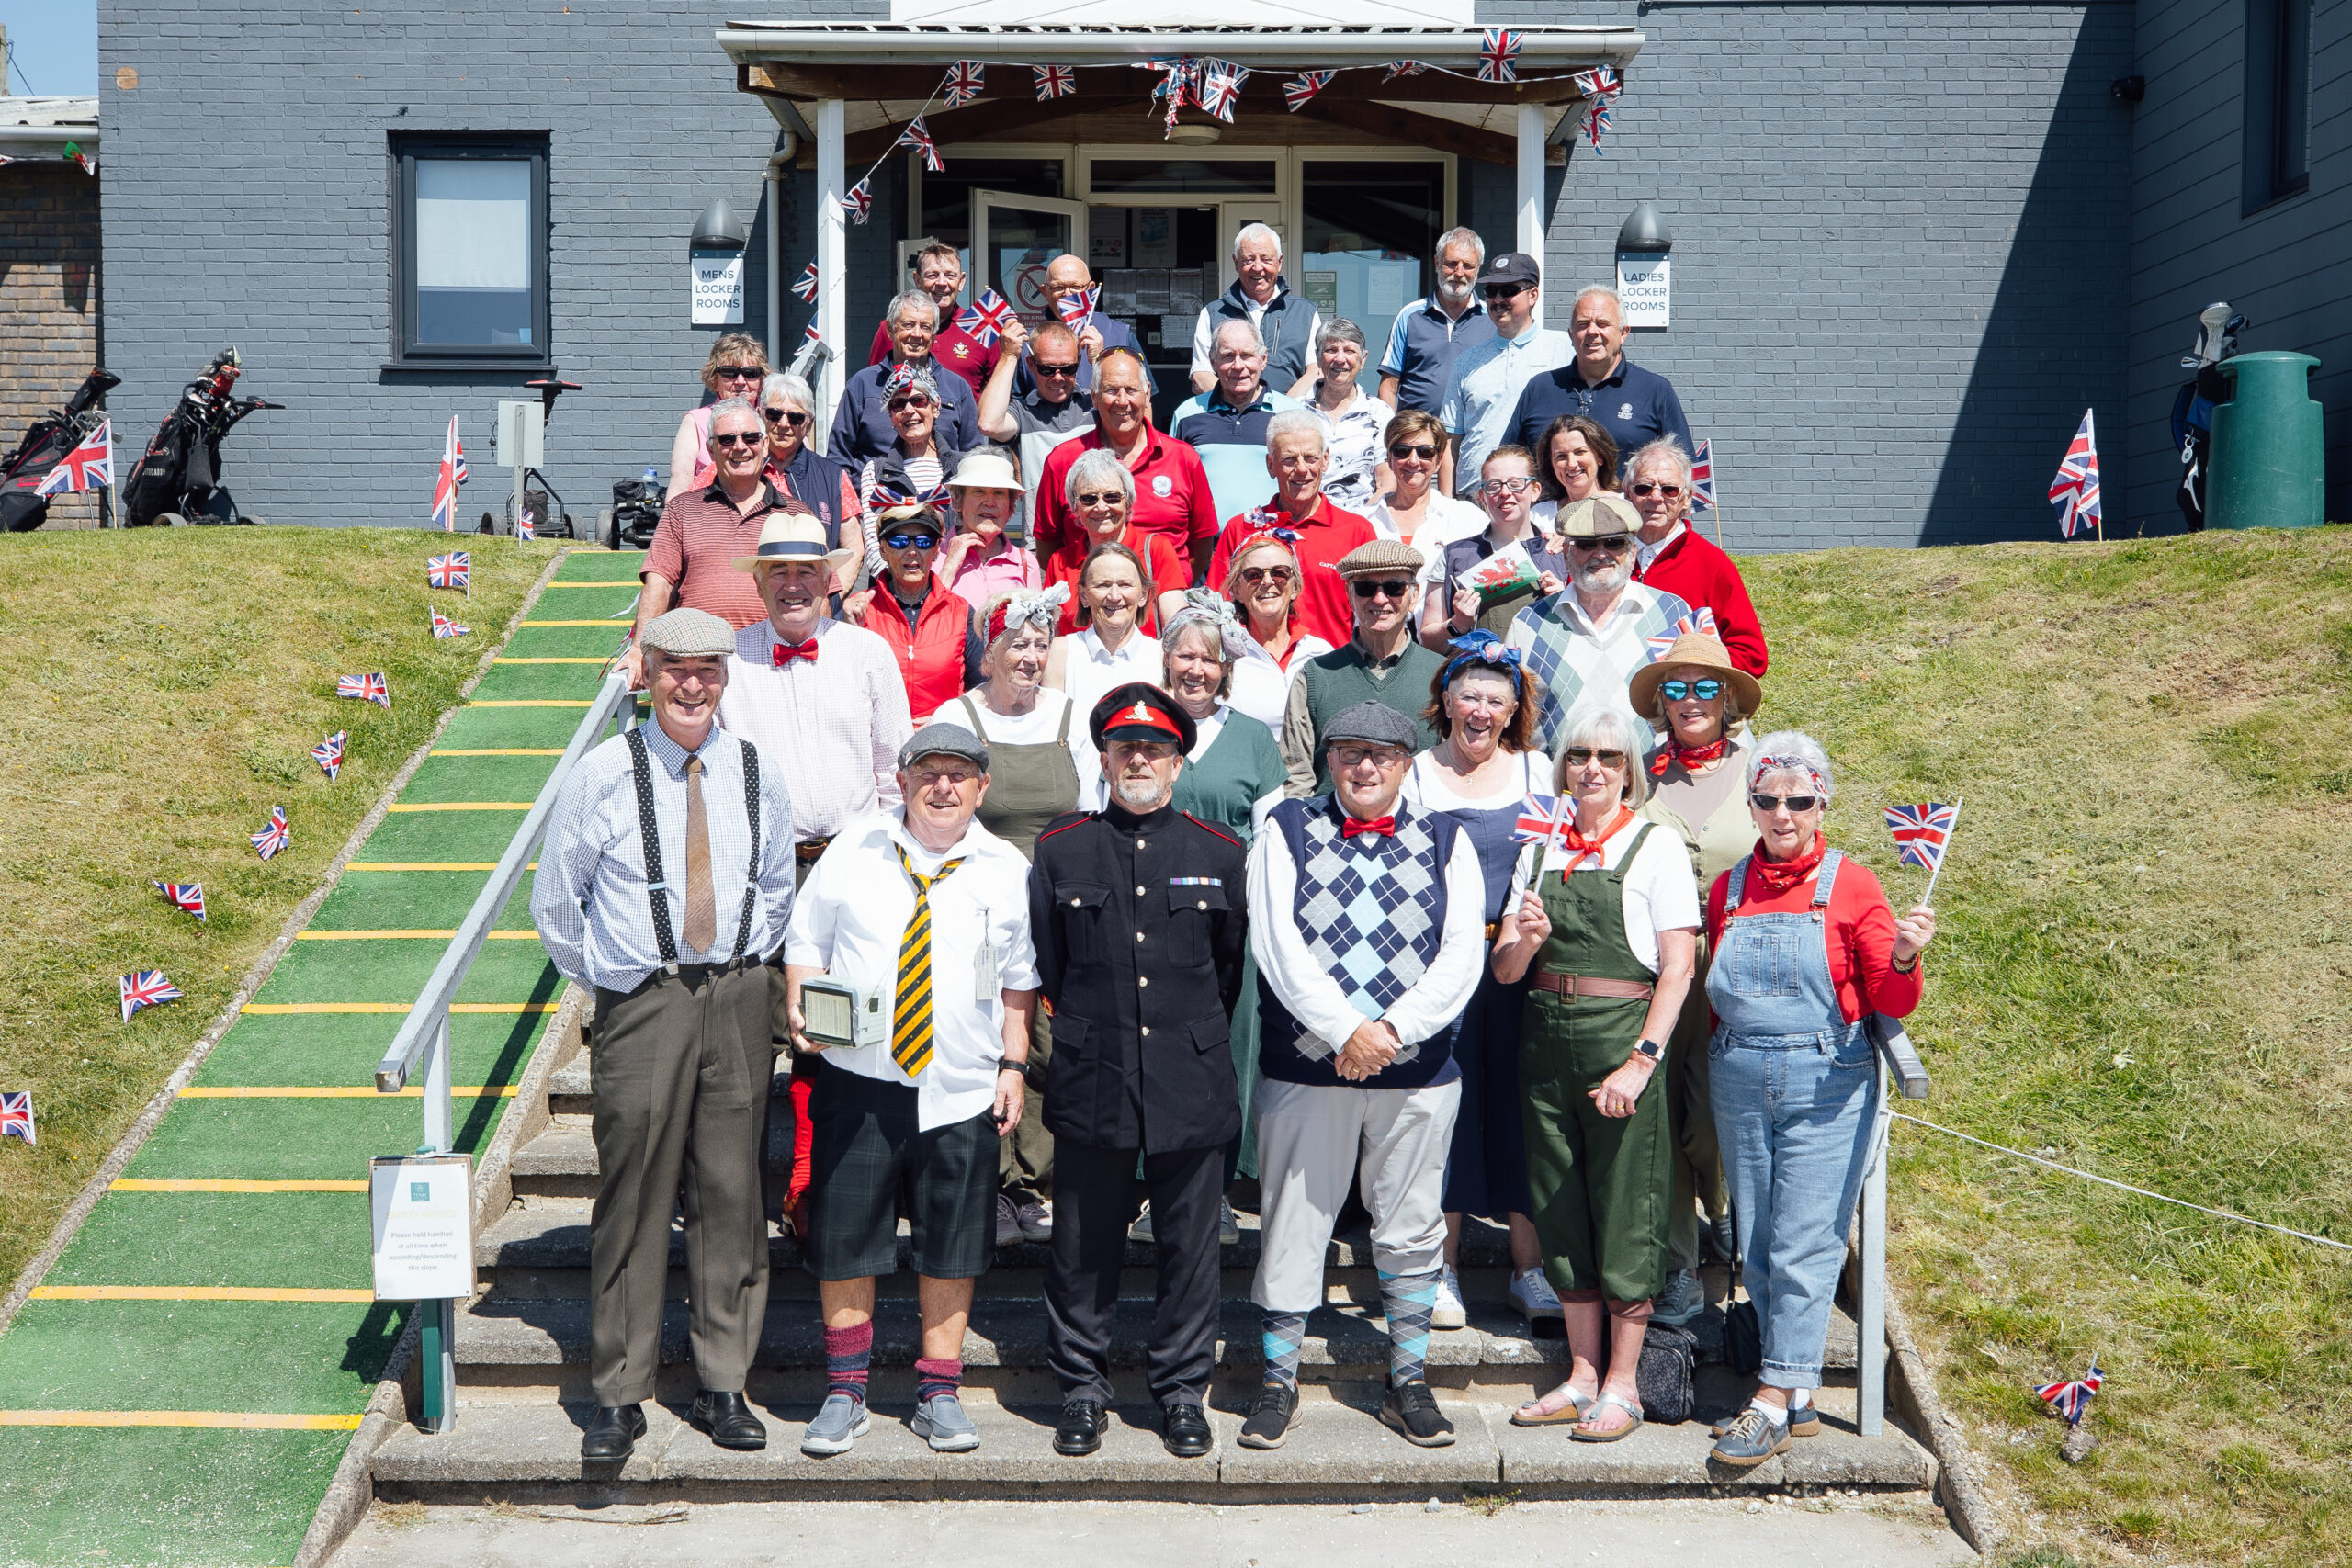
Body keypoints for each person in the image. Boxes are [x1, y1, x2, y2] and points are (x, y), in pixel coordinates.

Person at [531, 607, 797, 1462]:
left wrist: (744, 973)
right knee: (636, 1192)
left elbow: (777, 883)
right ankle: (618, 1392)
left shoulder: (756, 769)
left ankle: (725, 1381)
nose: (693, 684)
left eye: (709, 670)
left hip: (738, 993)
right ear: (646, 673)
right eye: (676, 668)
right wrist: (621, 982)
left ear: (726, 677)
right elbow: (556, 906)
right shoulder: (603, 771)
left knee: (732, 1192)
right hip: (643, 998)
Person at [783, 725, 1040, 1458]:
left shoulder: (1004, 867)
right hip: (860, 1080)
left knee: (953, 1247)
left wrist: (1013, 1065)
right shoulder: (856, 849)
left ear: (982, 788)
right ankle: (846, 1391)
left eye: (960, 773)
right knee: (845, 1242)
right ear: (901, 780)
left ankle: (939, 1393)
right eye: (928, 771)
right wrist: (801, 1009)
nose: (944, 785)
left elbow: (1021, 979)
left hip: (960, 1087)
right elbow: (805, 938)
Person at [1239, 702, 1487, 1452]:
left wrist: (1389, 1033)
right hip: (1308, 1067)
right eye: (1349, 752)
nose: (1365, 766)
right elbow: (1277, 945)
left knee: (1412, 1229)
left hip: (1416, 1072)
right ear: (1329, 760)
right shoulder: (1282, 829)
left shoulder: (1449, 839)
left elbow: (1460, 957)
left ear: (1409, 763)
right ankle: (1277, 1381)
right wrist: (1347, 1030)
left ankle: (1406, 1379)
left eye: (1382, 754)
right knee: (1292, 1222)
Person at [1702, 732, 1935, 1467]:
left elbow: (1890, 998)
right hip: (1738, 1076)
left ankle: (1771, 1397)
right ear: (1751, 804)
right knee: (1761, 1241)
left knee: (1806, 1240)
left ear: (1822, 801)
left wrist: (1903, 954)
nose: (1782, 813)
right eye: (1767, 800)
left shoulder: (1855, 884)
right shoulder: (1728, 889)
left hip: (1826, 1081)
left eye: (1799, 800)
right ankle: (1799, 1389)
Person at [1031, 685, 1250, 1461]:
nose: (1139, 760)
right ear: (1104, 756)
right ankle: (1082, 1388)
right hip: (1095, 1068)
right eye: (1125, 748)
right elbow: (1051, 963)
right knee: (1083, 1243)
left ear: (1177, 760)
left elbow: (1227, 970)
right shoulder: (1061, 850)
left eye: (1154, 749)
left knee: (1190, 1247)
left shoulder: (1219, 853)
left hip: (1188, 1075)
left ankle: (1182, 1390)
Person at [1489, 704, 1698, 1444]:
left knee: (1625, 1210)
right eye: (1579, 754)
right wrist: (1527, 937)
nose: (1593, 768)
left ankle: (1624, 1383)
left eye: (1609, 756)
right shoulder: (1540, 849)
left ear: (1630, 768)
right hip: (1544, 1041)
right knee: (1559, 1208)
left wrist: (1642, 1062)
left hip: (1620, 1040)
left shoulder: (1655, 846)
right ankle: (1580, 1374)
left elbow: (1678, 966)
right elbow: (1508, 969)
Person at [1397, 633, 1555, 1329]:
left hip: (1521, 967)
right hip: (1438, 969)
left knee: (1520, 1110)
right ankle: (1443, 1270)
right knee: (1444, 1115)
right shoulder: (1415, 772)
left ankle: (1530, 1269)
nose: (1482, 710)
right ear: (1446, 700)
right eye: (1470, 694)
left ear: (1514, 708)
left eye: (1497, 698)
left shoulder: (1538, 772)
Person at [929, 586, 1083, 1249]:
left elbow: (1097, 811)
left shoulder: (1072, 716)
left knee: (1046, 1047)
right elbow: (928, 809)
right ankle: (986, 1182)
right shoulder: (956, 714)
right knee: (985, 1041)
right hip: (979, 914)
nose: (1030, 655)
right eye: (1017, 642)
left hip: (1054, 912)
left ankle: (1034, 1183)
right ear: (988, 652)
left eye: (1040, 642)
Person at [1630, 631, 1762, 1326]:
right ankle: (1678, 1261)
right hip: (1658, 973)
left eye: (1706, 686)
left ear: (1730, 697)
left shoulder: (1762, 768)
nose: (1690, 700)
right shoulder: (1639, 772)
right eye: (1674, 688)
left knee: (1714, 1115)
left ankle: (1729, 1209)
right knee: (1663, 1116)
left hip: (1741, 976)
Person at [1161, 592, 1289, 1208]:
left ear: (1226, 668)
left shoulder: (1252, 742)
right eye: (1185, 655)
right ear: (1166, 659)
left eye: (1208, 659)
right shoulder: (1145, 726)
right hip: (1153, 916)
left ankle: (1224, 1174)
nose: (1196, 669)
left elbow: (1269, 836)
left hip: (1232, 920)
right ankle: (1153, 1170)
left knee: (1233, 1044)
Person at [718, 513, 909, 874]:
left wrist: (891, 852)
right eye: (779, 572)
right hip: (762, 865)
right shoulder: (729, 661)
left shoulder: (869, 652)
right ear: (758, 585)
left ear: (826, 581)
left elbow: (894, 767)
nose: (793, 585)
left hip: (860, 858)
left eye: (806, 571)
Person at [1506, 493, 1694, 752]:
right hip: (1556, 788)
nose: (1601, 554)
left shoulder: (1673, 613)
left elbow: (1707, 700)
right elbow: (1509, 714)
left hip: (1656, 786)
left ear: (1633, 550)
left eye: (1615, 542)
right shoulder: (1529, 623)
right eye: (1586, 544)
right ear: (1566, 552)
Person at [632, 399, 800, 684]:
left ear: (765, 445)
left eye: (750, 437)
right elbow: (658, 582)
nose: (739, 447)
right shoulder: (681, 511)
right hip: (697, 672)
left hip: (775, 668)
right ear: (710, 449)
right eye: (726, 439)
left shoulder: (796, 514)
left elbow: (818, 593)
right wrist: (638, 651)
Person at [1033, 349, 1218, 580]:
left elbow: (1201, 545)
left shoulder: (1184, 458)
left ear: (1147, 393)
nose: (1122, 401)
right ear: (1094, 395)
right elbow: (1047, 546)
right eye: (1111, 390)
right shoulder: (1063, 461)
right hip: (1090, 605)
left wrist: (1172, 586)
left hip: (1165, 604)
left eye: (1131, 390)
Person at [1281, 540, 1442, 797]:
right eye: (1366, 587)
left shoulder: (1442, 675)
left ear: (1413, 595)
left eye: (1394, 587)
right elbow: (1296, 776)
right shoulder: (1315, 676)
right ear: (1349, 595)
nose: (1380, 598)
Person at [1204, 412, 1376, 649]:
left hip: (1333, 671)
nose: (1302, 469)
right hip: (1257, 667)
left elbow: (1373, 614)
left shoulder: (1357, 532)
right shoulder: (1242, 528)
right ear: (1270, 465)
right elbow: (1217, 609)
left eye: (1310, 458)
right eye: (1289, 460)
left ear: (1325, 460)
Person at [1623, 436, 1770, 678]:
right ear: (1628, 493)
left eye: (1669, 489)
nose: (1656, 498)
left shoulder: (1712, 564)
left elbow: (1751, 655)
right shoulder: (1604, 553)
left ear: (1688, 498)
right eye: (1644, 488)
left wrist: (1688, 670)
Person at [1436, 253, 1573, 498]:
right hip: (1475, 497)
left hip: (1538, 497)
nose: (1498, 299)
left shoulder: (1564, 349)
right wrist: (1447, 507)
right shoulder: (1467, 361)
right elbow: (1451, 443)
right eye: (1491, 291)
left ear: (1533, 295)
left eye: (1508, 290)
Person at [1508, 287, 1694, 466]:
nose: (1592, 331)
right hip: (1551, 499)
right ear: (1571, 335)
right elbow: (1510, 460)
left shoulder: (1654, 390)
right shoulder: (1541, 388)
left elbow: (1685, 468)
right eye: (1583, 324)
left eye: (1603, 324)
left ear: (1623, 333)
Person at [1045, 543, 1164, 807]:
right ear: (1084, 595)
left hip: (1146, 807)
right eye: (1102, 585)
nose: (1114, 595)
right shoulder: (1060, 652)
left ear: (1144, 594)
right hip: (1076, 810)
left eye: (1125, 584)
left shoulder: (1163, 657)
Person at [844, 497, 982, 724]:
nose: (912, 551)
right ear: (882, 551)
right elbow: (842, 691)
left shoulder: (960, 611)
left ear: (937, 550)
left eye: (924, 542)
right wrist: (849, 630)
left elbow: (983, 690)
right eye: (899, 542)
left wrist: (943, 720)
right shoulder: (859, 611)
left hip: (942, 745)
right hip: (878, 746)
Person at [1426, 446, 1566, 648]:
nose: (1505, 493)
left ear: (1535, 491)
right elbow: (1428, 642)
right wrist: (1457, 624)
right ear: (1482, 497)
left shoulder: (1560, 552)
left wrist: (1564, 605)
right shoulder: (1454, 554)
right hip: (1477, 676)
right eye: (1493, 486)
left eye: (1516, 484)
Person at [1038, 449, 1188, 637]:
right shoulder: (1060, 562)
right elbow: (1052, 635)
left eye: (1112, 497)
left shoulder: (1157, 550)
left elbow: (1177, 628)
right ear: (1075, 507)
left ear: (1128, 501)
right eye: (1089, 498)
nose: (1101, 507)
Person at [1173, 319, 1305, 529]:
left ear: (1263, 359)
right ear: (1213, 361)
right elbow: (1176, 486)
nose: (1238, 366)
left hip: (1275, 545)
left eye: (1246, 355)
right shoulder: (1187, 415)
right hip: (1208, 551)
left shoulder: (1293, 415)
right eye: (1228, 356)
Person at [831, 291, 982, 465]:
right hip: (873, 488)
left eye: (925, 327)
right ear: (890, 330)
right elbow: (838, 458)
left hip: (942, 489)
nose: (917, 334)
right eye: (908, 325)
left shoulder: (957, 388)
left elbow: (974, 458)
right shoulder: (861, 385)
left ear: (933, 334)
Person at [759, 370, 863, 600]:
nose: (784, 424)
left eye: (795, 417)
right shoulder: (734, 469)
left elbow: (854, 547)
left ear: (809, 424)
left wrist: (829, 599)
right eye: (774, 414)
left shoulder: (833, 476)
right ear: (761, 414)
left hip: (811, 608)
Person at [1367, 409, 1487, 608]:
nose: (1413, 461)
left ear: (1438, 461)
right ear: (1389, 458)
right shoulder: (1364, 520)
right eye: (1402, 451)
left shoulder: (1468, 519)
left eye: (1425, 452)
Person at [1190, 221, 1320, 395]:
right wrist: (1243, 407)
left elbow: (1316, 371)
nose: (1257, 268)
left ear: (1279, 262)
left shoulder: (1306, 313)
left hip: (1290, 417)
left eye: (1266, 259)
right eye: (1248, 260)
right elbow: (1201, 375)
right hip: (1230, 418)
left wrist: (1282, 408)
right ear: (1236, 263)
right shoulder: (1213, 313)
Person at [1378, 228, 1496, 416]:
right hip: (1417, 440)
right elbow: (1389, 386)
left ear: (1478, 268)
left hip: (1472, 439)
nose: (1459, 273)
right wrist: (1391, 438)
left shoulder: (1491, 320)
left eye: (1468, 266)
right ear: (1437, 262)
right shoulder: (1410, 316)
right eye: (1451, 264)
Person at [865, 242, 1001, 398]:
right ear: (917, 280)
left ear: (962, 281)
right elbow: (873, 384)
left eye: (950, 275)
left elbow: (996, 393)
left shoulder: (982, 327)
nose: (942, 283)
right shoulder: (893, 328)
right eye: (932, 275)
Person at [1016, 254, 1147, 400]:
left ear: (1091, 288)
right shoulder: (1027, 344)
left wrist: (1100, 360)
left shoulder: (1121, 335)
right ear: (1045, 291)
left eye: (1075, 287)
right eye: (1058, 287)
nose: (1067, 294)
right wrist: (1006, 357)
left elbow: (1144, 401)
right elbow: (1012, 407)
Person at [1299, 320, 1395, 513]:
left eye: (1349, 351)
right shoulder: (1297, 412)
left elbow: (1387, 483)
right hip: (1307, 522)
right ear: (1318, 358)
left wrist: (1358, 524)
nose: (1340, 359)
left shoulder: (1379, 413)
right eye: (1331, 350)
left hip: (1363, 522)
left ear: (1363, 359)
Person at [666, 333, 769, 503]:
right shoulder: (696, 421)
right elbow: (678, 490)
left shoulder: (776, 419)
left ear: (761, 379)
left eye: (751, 373)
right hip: (710, 520)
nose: (741, 381)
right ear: (715, 379)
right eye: (730, 373)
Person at [854, 365, 969, 513]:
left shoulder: (964, 466)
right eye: (898, 405)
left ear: (935, 408)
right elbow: (872, 533)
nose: (908, 410)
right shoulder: (876, 471)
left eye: (918, 401)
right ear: (892, 418)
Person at [939, 449, 1040, 613]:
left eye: (999, 493)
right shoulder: (933, 556)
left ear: (1011, 507)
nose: (990, 502)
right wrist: (950, 566)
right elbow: (923, 622)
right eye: (979, 491)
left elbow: (1037, 627)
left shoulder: (1025, 562)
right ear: (958, 501)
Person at [1529, 414, 1620, 537]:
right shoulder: (1539, 515)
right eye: (1561, 456)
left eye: (1580, 452)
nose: (1571, 464)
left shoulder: (1626, 506)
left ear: (1600, 457)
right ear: (1551, 464)